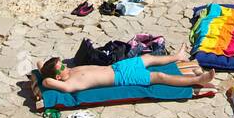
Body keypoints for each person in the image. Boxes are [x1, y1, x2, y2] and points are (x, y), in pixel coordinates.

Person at [38, 44, 214, 94]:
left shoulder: (66, 74)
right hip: (122, 78)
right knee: (159, 76)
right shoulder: (70, 83)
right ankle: (198, 80)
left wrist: (44, 69)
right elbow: (46, 80)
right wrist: (46, 77)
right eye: (61, 67)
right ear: (58, 78)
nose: (65, 65)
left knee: (147, 58)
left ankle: (178, 57)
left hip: (117, 67)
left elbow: (41, 66)